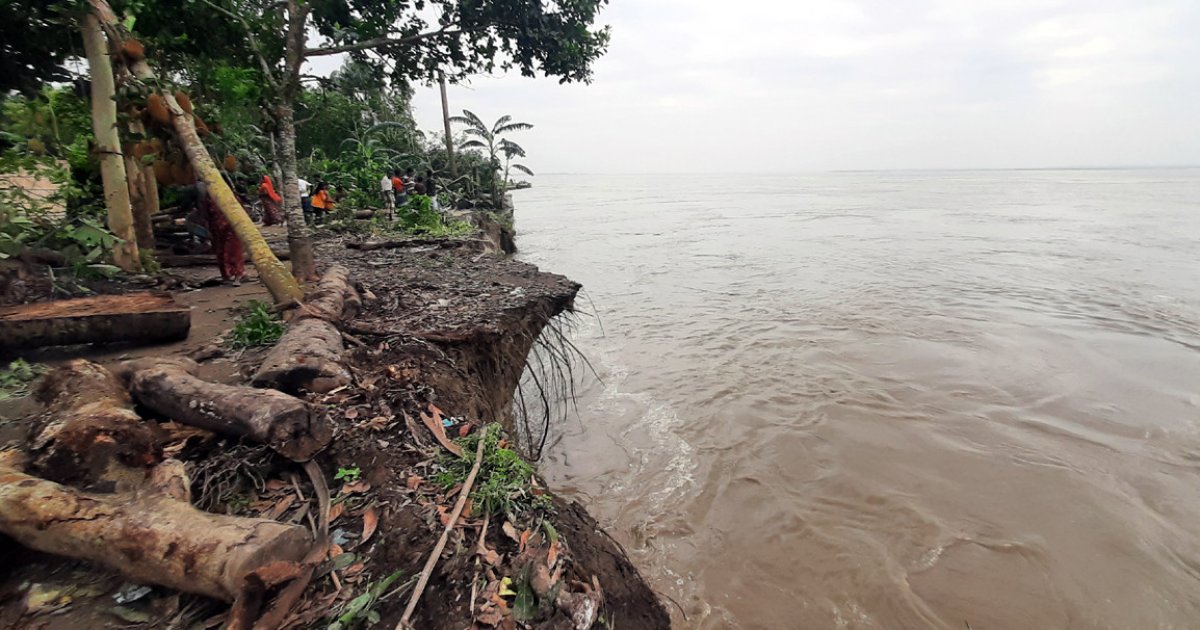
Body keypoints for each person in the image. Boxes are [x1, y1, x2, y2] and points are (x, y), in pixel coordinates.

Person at [197, 179, 246, 285]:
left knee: (233, 250)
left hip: (231, 226)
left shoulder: (229, 196)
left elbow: (239, 210)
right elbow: (205, 214)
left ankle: (237, 274)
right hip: (217, 228)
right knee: (222, 251)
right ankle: (228, 275)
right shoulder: (209, 198)